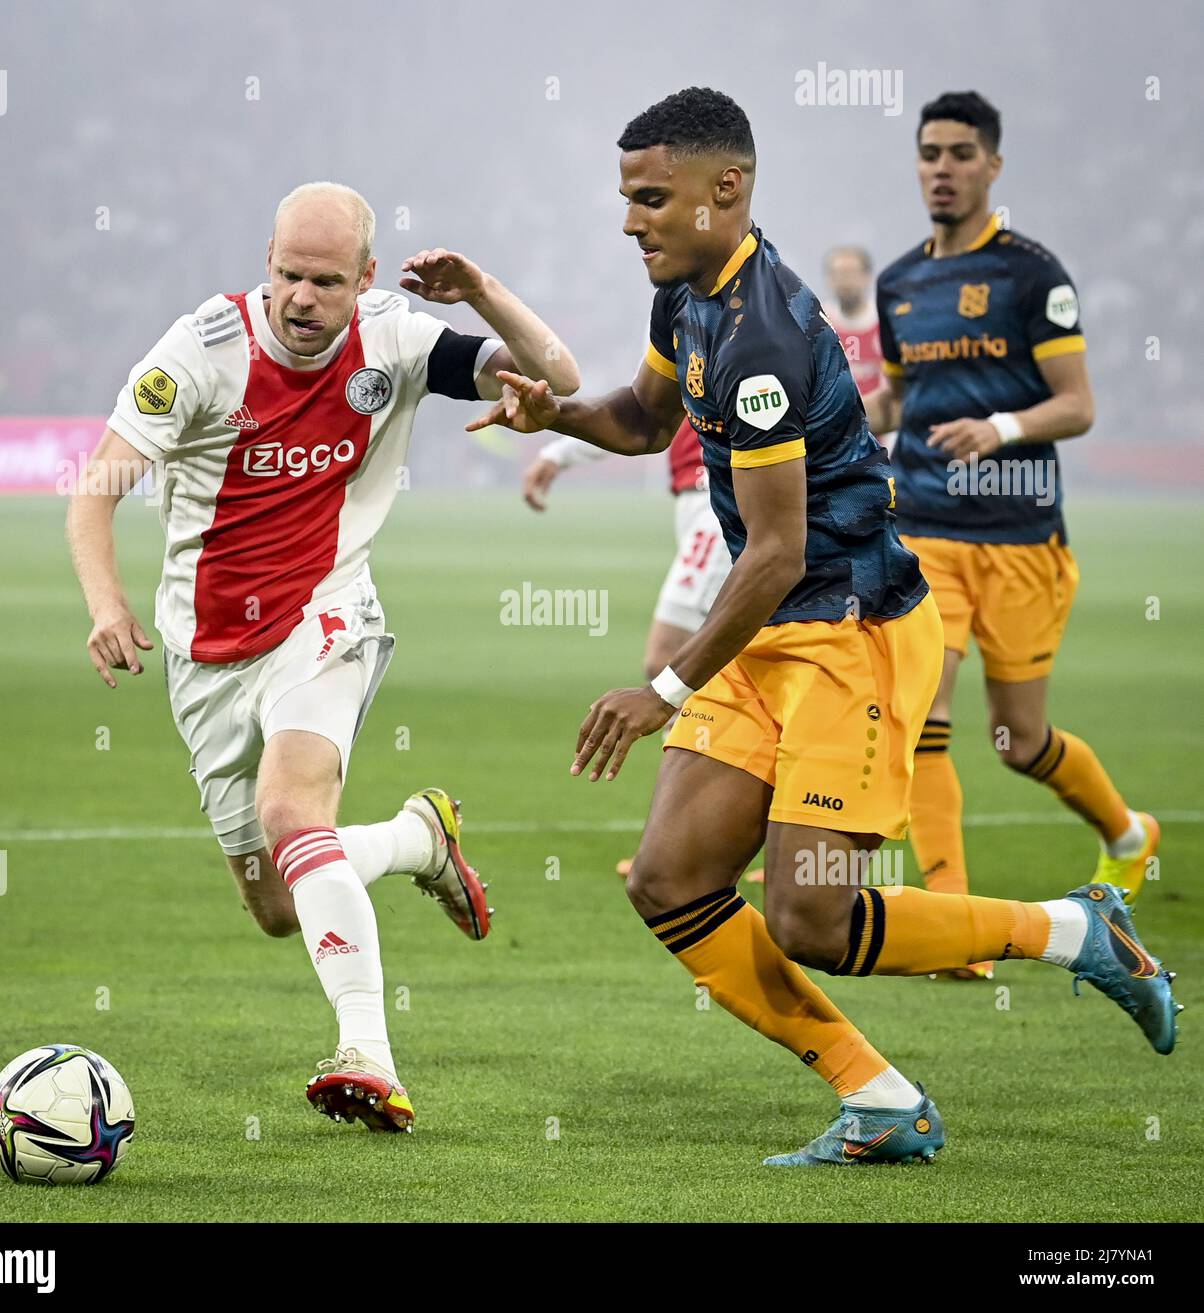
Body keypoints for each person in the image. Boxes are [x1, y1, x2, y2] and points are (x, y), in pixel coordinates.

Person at [469, 88, 1179, 1166]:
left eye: (650, 198)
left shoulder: (760, 332)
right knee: (670, 881)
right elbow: (644, 416)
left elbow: (776, 551)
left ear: (727, 189)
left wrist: (659, 691)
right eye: (624, 197)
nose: (629, 221)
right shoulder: (686, 294)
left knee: (813, 916)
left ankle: (1078, 930)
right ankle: (879, 1096)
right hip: (768, 633)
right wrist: (555, 413)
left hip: (850, 633)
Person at [66, 182, 579, 1134]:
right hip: (206, 648)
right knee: (274, 903)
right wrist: (107, 605)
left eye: (327, 281)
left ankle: (367, 1054)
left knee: (291, 809)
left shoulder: (395, 338)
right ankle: (418, 839)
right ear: (267, 264)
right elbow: (93, 489)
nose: (303, 299)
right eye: (288, 276)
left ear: (367, 280)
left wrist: (480, 292)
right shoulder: (200, 354)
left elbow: (560, 372)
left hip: (326, 610)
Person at [866, 92, 1158, 985]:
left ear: (993, 165)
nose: (941, 169)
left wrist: (996, 429)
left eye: (960, 153)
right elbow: (896, 398)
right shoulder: (899, 283)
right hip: (924, 531)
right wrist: (841, 428)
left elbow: (1078, 404)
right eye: (929, 153)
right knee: (924, 723)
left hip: (1024, 534)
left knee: (1019, 741)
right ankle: (956, 922)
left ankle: (1128, 834)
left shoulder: (1035, 276)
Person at [521, 419, 740, 879]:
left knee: (668, 660)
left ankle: (685, 843)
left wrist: (557, 455)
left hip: (721, 499)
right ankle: (756, 834)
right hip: (701, 497)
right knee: (735, 673)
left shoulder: (739, 348)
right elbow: (640, 413)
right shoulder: (685, 352)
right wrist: (559, 453)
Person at [821, 245, 884, 403]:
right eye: (838, 274)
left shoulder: (885, 320)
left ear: (867, 277)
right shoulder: (818, 323)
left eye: (851, 274)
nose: (845, 282)